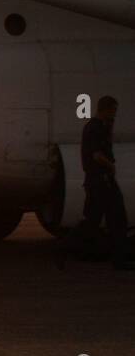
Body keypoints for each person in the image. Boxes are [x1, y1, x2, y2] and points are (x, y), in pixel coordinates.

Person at [64, 96, 131, 270]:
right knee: (117, 219)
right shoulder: (96, 128)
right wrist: (111, 166)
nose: (115, 115)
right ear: (106, 109)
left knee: (93, 220)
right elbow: (97, 154)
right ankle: (119, 259)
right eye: (113, 111)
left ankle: (70, 249)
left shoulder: (96, 127)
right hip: (102, 180)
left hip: (96, 181)